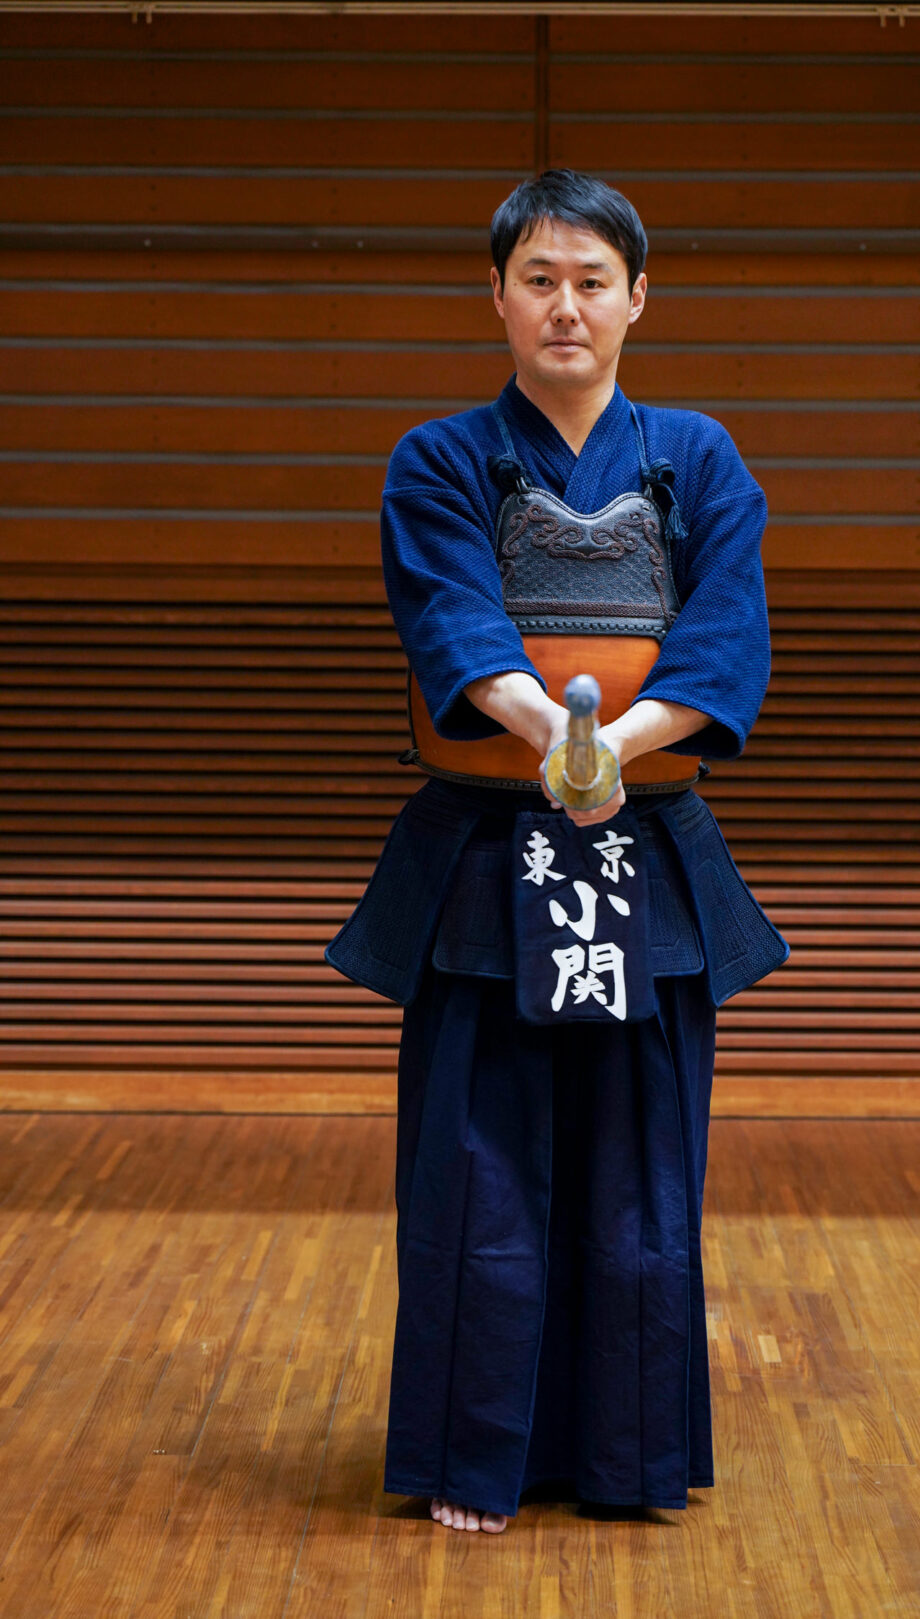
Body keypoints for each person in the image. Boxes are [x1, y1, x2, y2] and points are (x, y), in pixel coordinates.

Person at [324, 169, 790, 1535]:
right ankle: (478, 1461)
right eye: (540, 280)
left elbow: (725, 636)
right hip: (487, 852)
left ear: (640, 297)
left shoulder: (699, 457)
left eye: (593, 280)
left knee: (642, 1170)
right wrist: (553, 738)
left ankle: (631, 1456)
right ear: (498, 298)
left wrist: (618, 750)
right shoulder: (443, 458)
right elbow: (455, 621)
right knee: (480, 1164)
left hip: (648, 846)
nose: (567, 307)